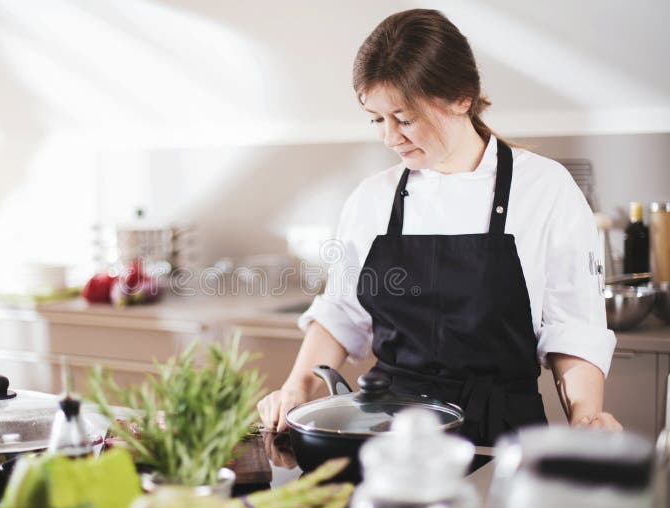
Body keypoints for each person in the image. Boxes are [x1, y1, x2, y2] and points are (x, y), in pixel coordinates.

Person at [257, 9, 622, 446]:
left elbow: (574, 328)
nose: (390, 137)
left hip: (498, 434)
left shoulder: (544, 188)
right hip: (389, 434)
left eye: (405, 118)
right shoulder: (373, 198)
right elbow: (341, 312)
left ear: (462, 97)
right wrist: (297, 387)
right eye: (376, 119)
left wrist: (586, 415)